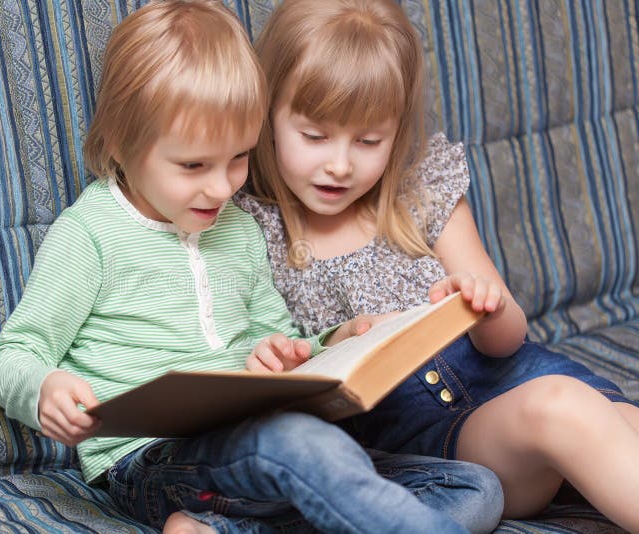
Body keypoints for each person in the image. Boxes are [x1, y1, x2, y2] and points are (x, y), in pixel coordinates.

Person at [0, 1, 505, 533]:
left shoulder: (238, 229)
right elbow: (15, 353)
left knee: (474, 487)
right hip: (150, 459)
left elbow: (275, 339)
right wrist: (45, 388)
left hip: (260, 452)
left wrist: (322, 345)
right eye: (193, 166)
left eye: (239, 157)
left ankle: (217, 529)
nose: (222, 187)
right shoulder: (91, 234)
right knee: (299, 446)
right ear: (121, 143)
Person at [236, 0, 639, 530]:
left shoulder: (420, 190)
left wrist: (482, 305)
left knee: (609, 416)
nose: (339, 164)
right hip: (444, 433)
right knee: (559, 407)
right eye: (314, 136)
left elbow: (509, 340)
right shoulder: (251, 227)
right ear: (268, 118)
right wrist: (337, 344)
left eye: (368, 141)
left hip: (518, 373)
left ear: (397, 130)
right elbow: (270, 375)